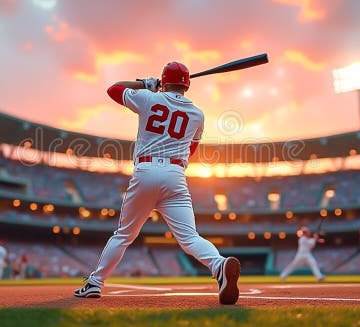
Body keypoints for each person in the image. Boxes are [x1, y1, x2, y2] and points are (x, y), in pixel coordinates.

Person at [74, 62, 241, 304]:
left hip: (146, 169)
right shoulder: (197, 114)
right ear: (187, 85)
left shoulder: (147, 99)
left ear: (164, 80)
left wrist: (145, 85)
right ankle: (219, 265)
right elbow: (190, 149)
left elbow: (113, 89)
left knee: (123, 235)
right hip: (175, 175)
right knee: (190, 237)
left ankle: (94, 283)